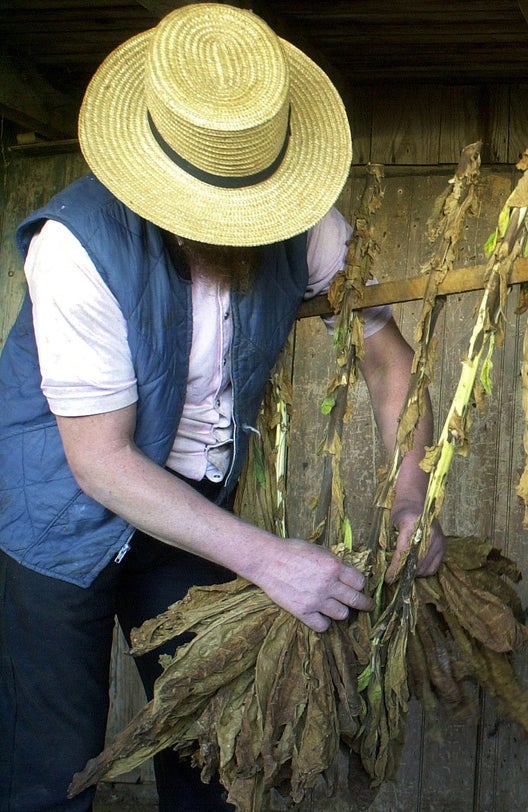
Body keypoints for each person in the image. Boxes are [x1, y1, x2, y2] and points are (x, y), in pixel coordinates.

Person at [0, 4, 443, 810]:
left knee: (209, 749)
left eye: (251, 208)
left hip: (190, 505)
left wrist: (414, 496)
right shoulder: (77, 247)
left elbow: (388, 360)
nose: (235, 231)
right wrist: (269, 559)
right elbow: (99, 460)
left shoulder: (309, 228)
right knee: (51, 766)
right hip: (56, 512)